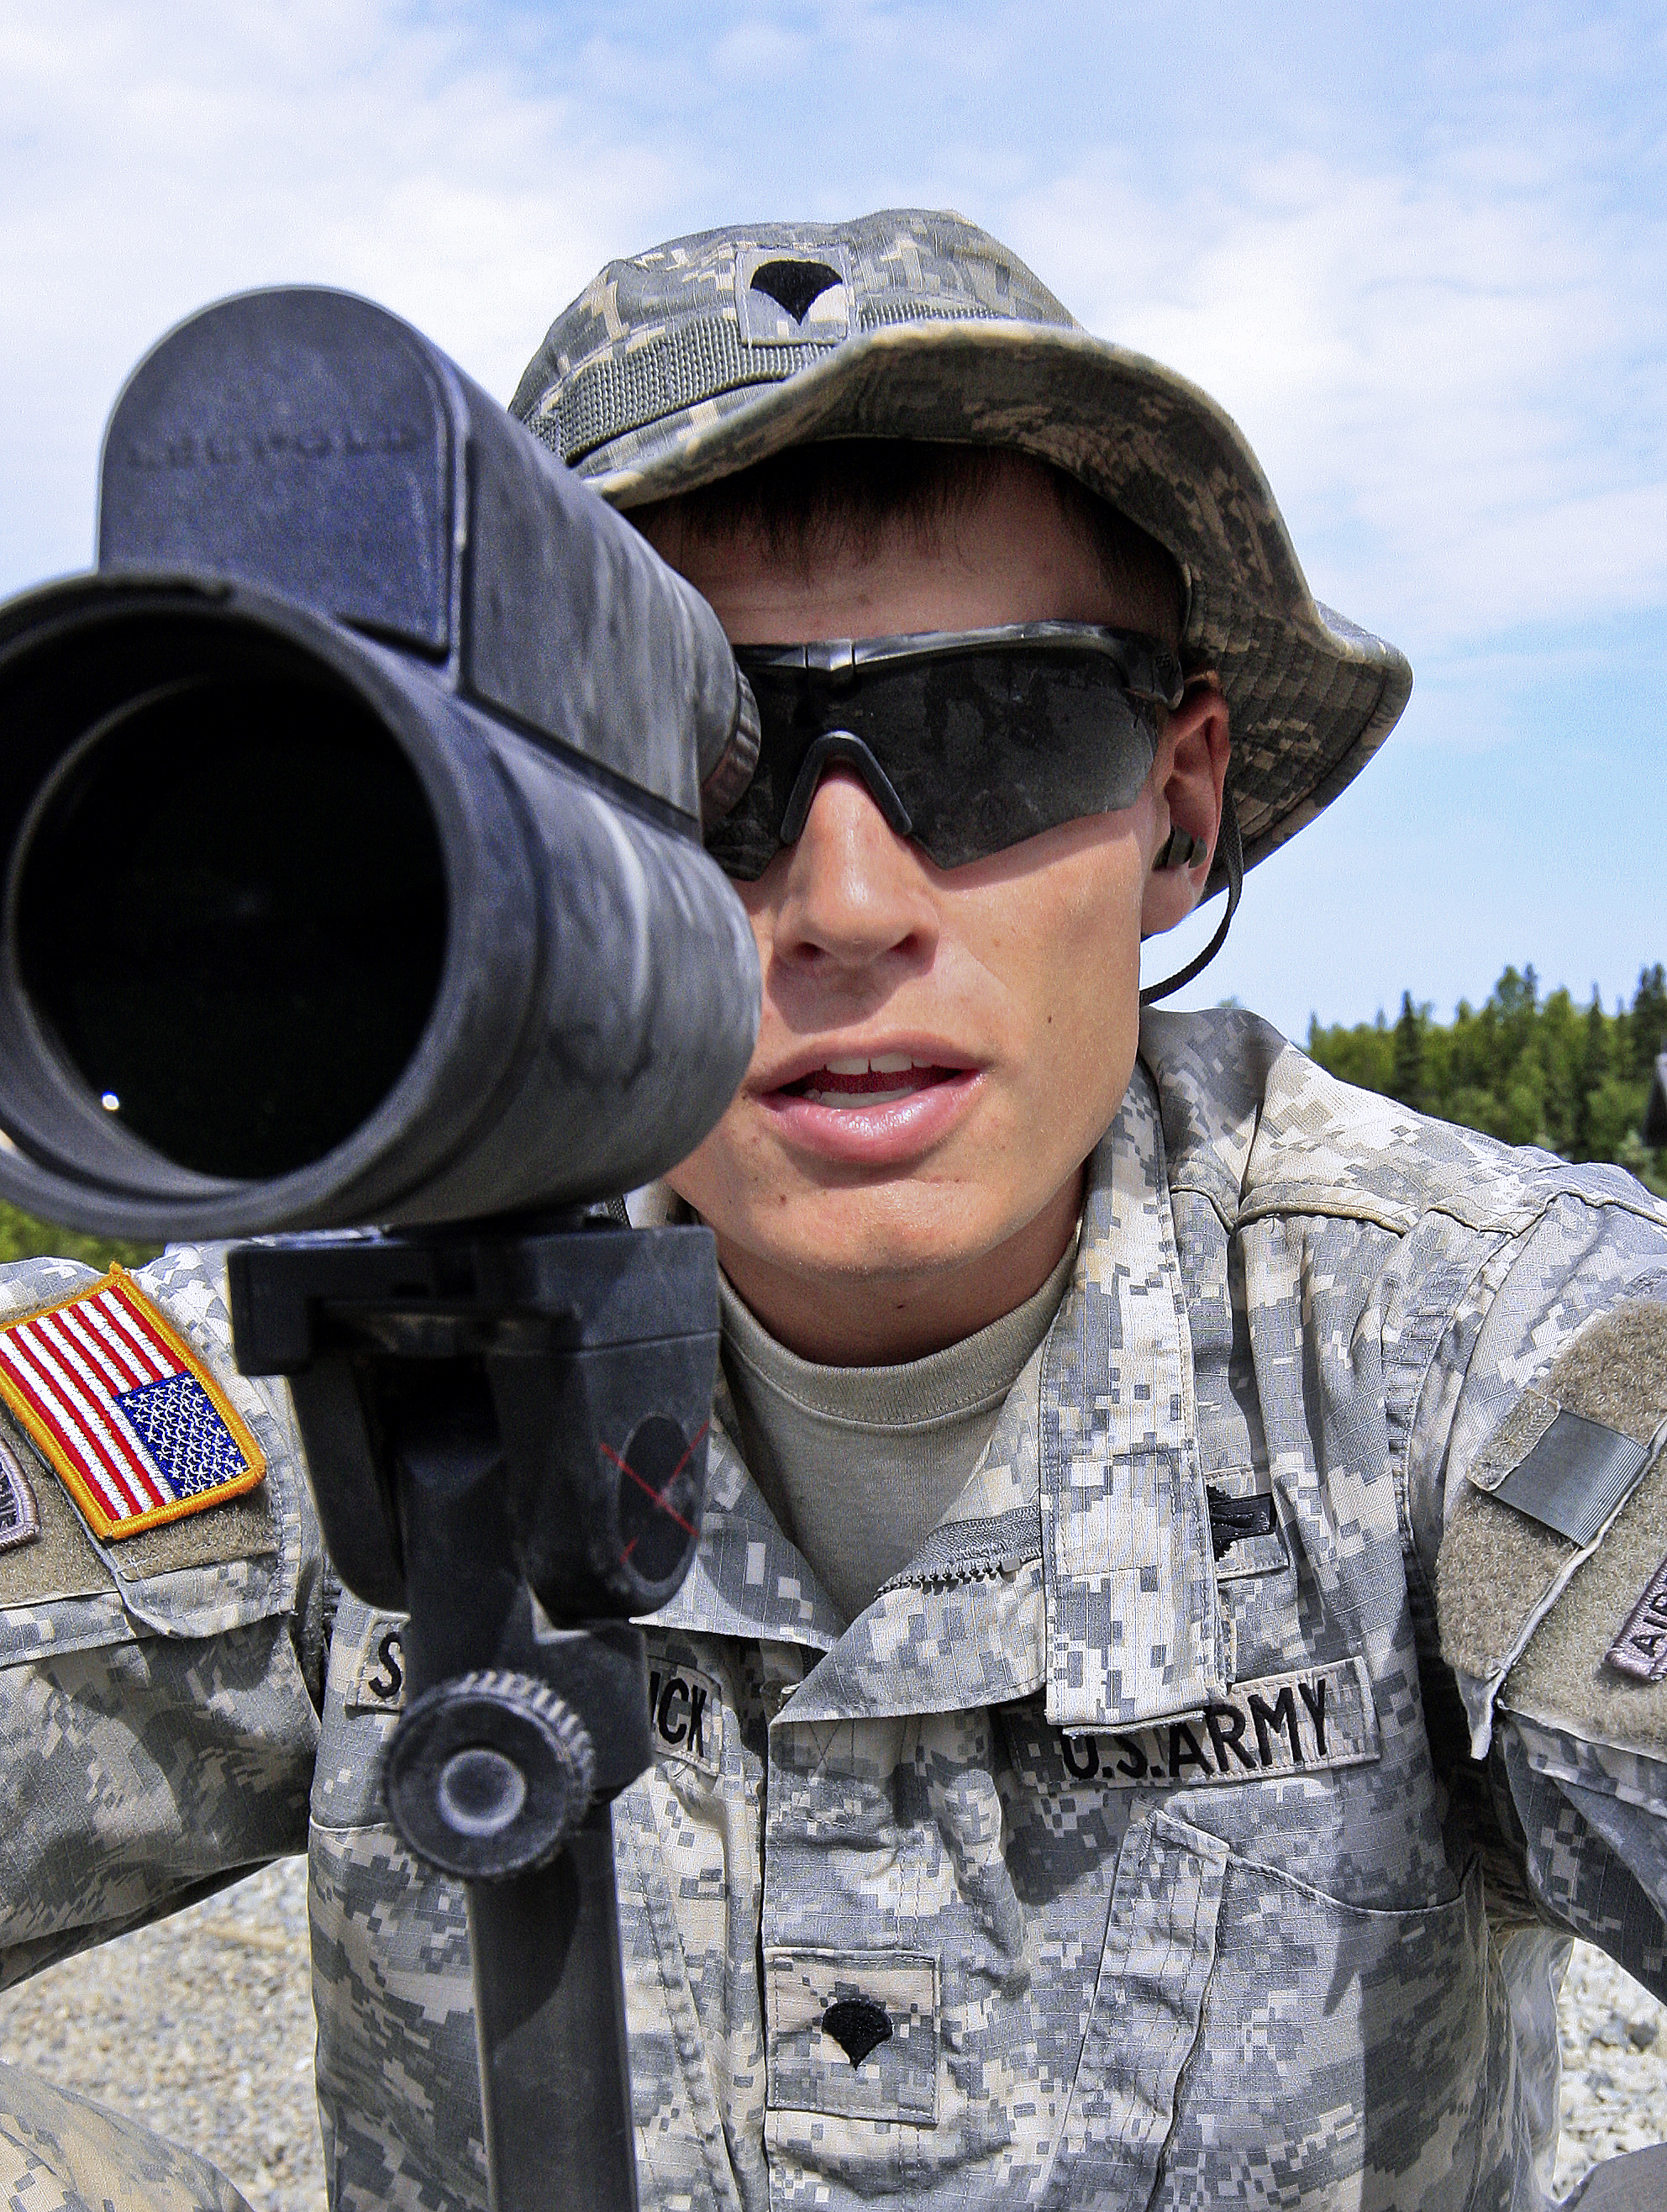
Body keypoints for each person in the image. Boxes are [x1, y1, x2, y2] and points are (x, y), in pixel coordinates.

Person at [0, 208, 1664, 2212]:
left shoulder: (1461, 1350)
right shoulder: (331, 1347)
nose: (852, 900)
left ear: (1179, 800)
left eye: (992, 729)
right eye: (709, 771)